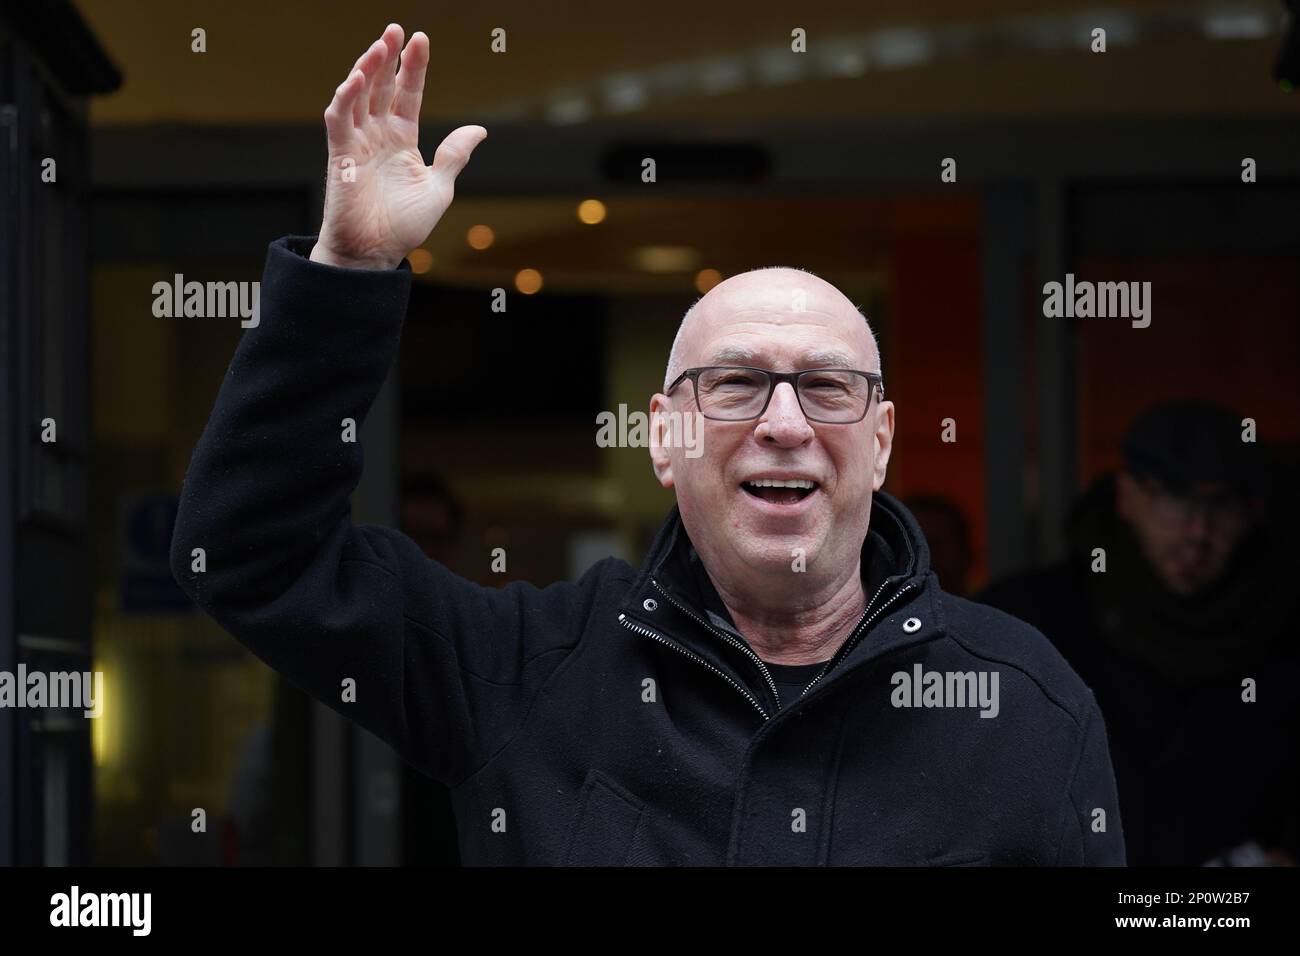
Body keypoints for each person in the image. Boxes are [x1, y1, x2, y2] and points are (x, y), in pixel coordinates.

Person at [169, 23, 1123, 865]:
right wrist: (350, 270)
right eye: (737, 384)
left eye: (828, 389)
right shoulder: (526, 673)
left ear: (879, 444)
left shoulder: (1026, 707)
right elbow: (253, 556)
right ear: (663, 440)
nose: (784, 423)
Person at [979, 402, 1300, 866]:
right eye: (1174, 497)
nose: (1198, 531)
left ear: (1251, 515)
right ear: (1128, 495)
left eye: (1222, 505)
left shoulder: (1285, 633)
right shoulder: (1029, 619)